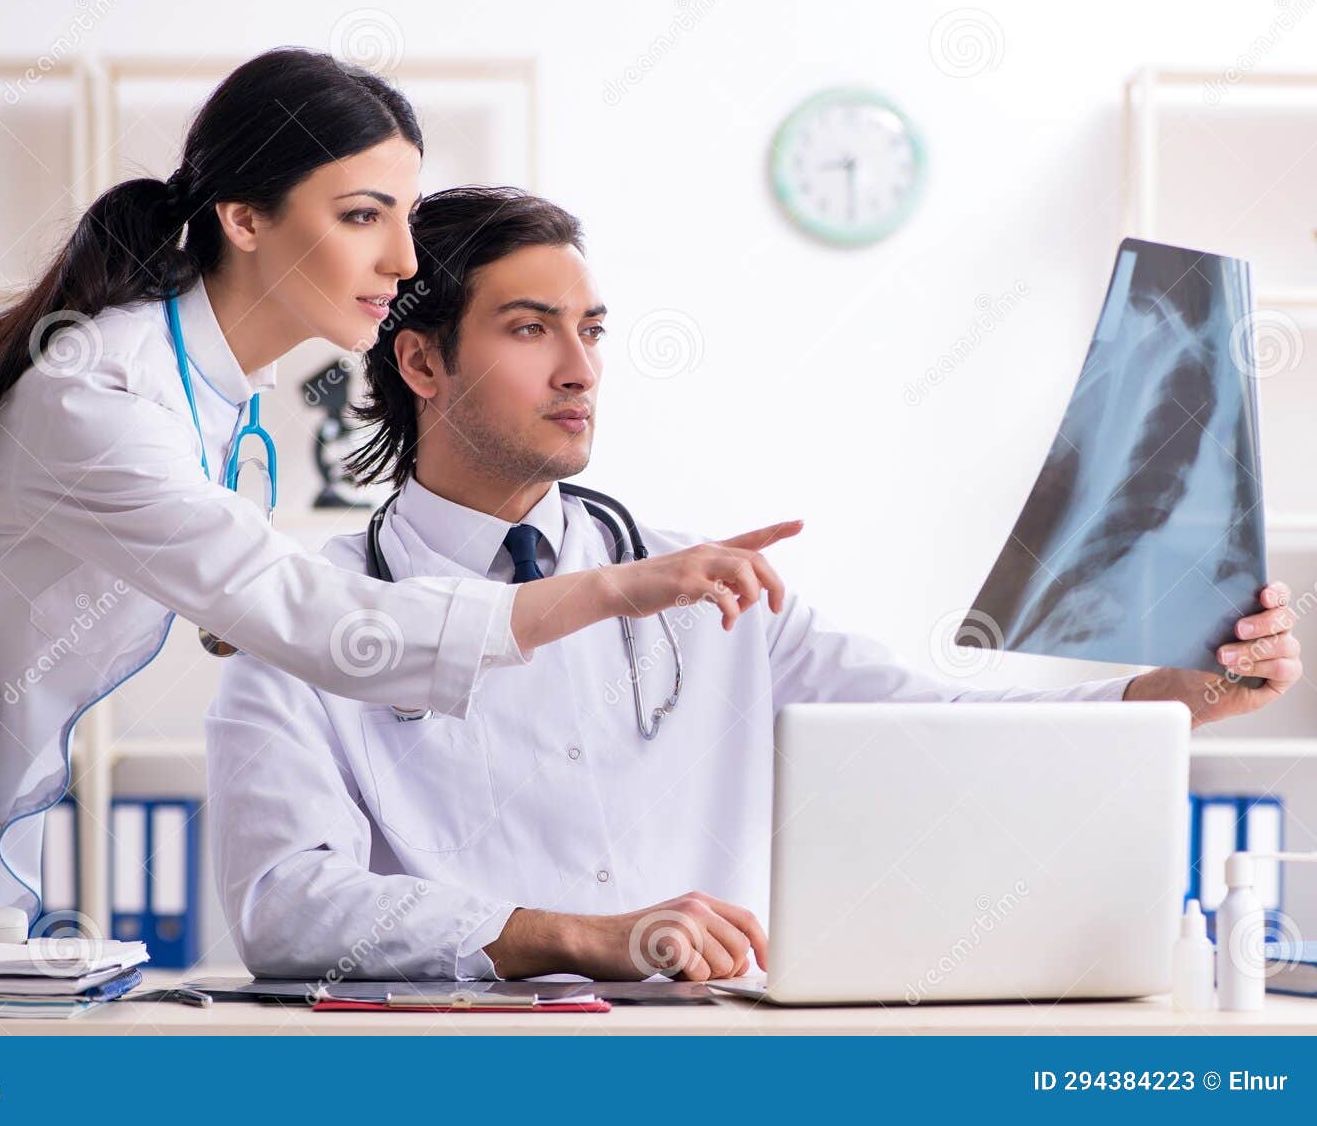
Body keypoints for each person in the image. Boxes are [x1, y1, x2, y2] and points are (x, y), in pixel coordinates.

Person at [0, 56, 791, 982]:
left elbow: (200, 585)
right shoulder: (98, 393)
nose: (405, 262)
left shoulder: (209, 397)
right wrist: (615, 587)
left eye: (405, 218)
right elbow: (316, 620)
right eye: (363, 215)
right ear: (242, 217)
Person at [204, 187, 1303, 983]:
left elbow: (939, 729)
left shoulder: (708, 588)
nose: (580, 367)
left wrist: (1181, 694)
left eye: (590, 331)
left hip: (705, 1055)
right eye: (529, 330)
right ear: (422, 362)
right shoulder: (303, 614)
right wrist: (573, 933)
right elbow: (286, 904)